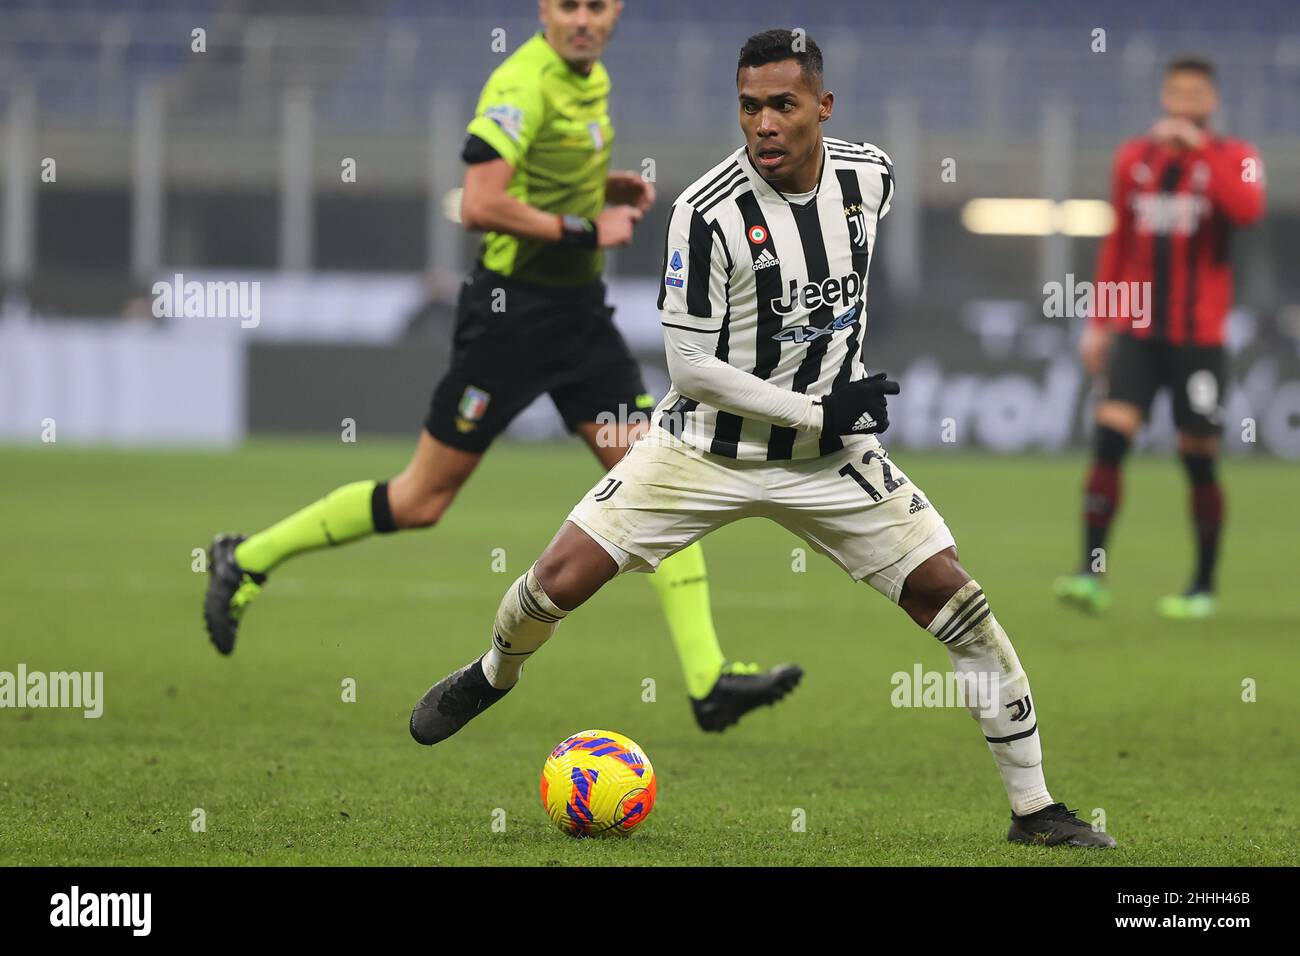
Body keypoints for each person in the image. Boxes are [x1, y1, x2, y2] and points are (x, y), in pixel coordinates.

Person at [408, 29, 1116, 848]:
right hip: (702, 447)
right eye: (749, 107)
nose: (764, 124)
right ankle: (493, 674)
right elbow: (692, 368)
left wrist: (832, 396)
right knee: (554, 582)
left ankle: (1035, 811)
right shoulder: (705, 213)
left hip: (830, 461)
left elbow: (844, 282)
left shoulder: (871, 176)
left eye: (783, 105)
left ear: (822, 106)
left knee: (960, 605)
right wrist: (820, 410)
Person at [202, 0, 802, 732]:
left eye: (599, 5)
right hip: (509, 321)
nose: (585, 20)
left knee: (658, 480)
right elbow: (481, 203)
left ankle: (708, 680)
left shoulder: (591, 79)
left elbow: (539, 176)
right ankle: (247, 557)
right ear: (545, 10)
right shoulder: (521, 84)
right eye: (569, 5)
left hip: (580, 321)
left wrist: (597, 187)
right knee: (421, 500)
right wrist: (588, 224)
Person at [1056, 57, 1265, 619]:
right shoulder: (1135, 160)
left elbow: (1247, 211)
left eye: (1195, 92)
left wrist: (1197, 150)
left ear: (1211, 100)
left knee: (1197, 454)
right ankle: (1089, 574)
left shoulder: (1236, 159)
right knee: (1111, 438)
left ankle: (1201, 586)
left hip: (1199, 337)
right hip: (1139, 332)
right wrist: (1100, 321)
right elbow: (1118, 244)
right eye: (1175, 91)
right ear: (1164, 97)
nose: (1183, 101)